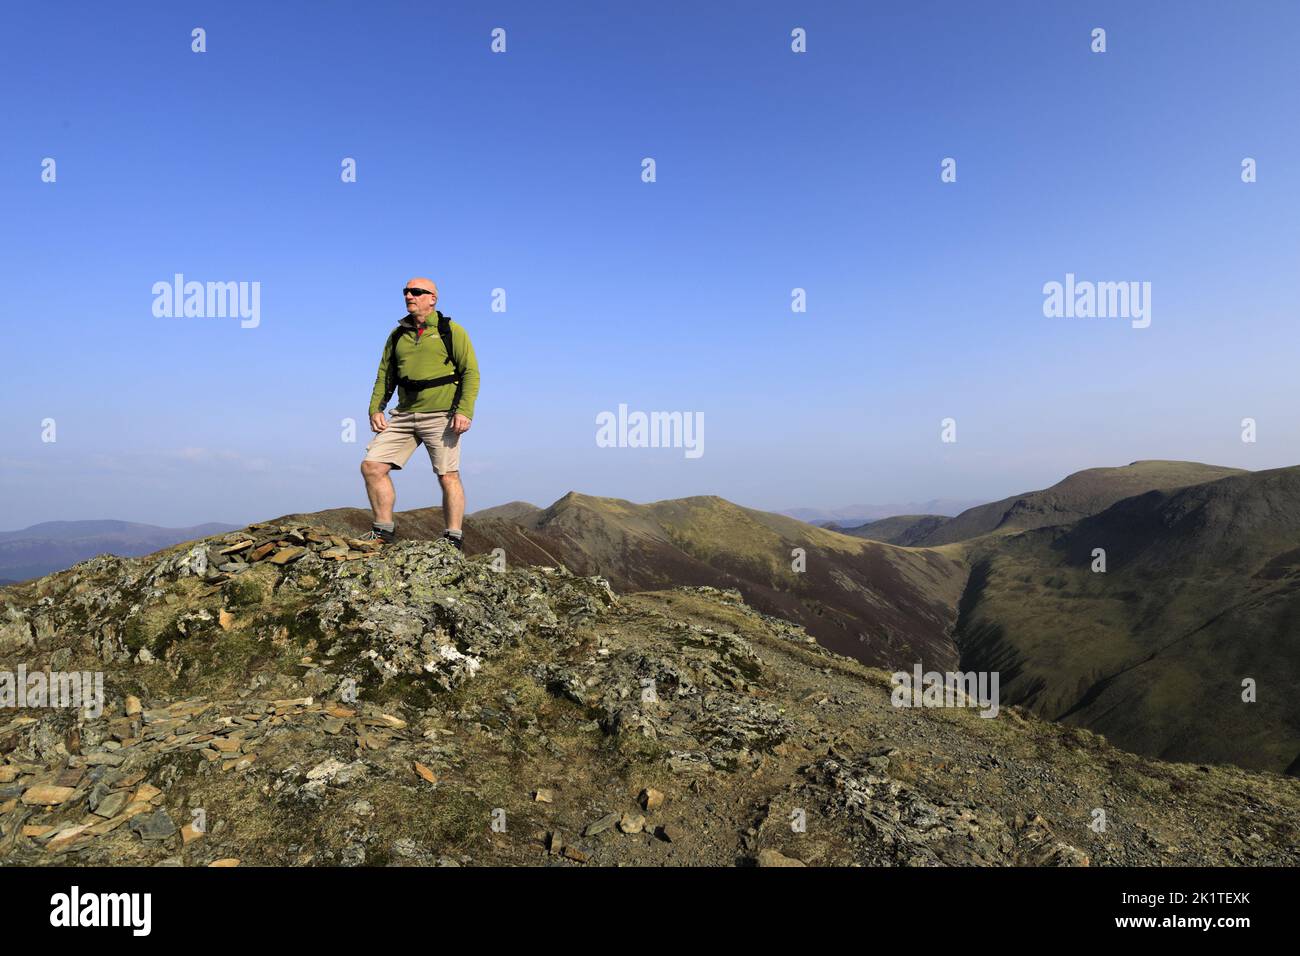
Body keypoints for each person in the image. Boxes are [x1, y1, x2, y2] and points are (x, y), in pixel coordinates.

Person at [358, 278, 480, 550]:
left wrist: (464, 410)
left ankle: (453, 539)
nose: (409, 296)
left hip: (442, 414)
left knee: (448, 474)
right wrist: (375, 408)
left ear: (432, 298)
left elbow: (470, 372)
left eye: (416, 292)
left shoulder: (452, 331)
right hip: (404, 414)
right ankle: (383, 532)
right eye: (406, 292)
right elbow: (385, 375)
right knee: (372, 466)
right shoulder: (397, 334)